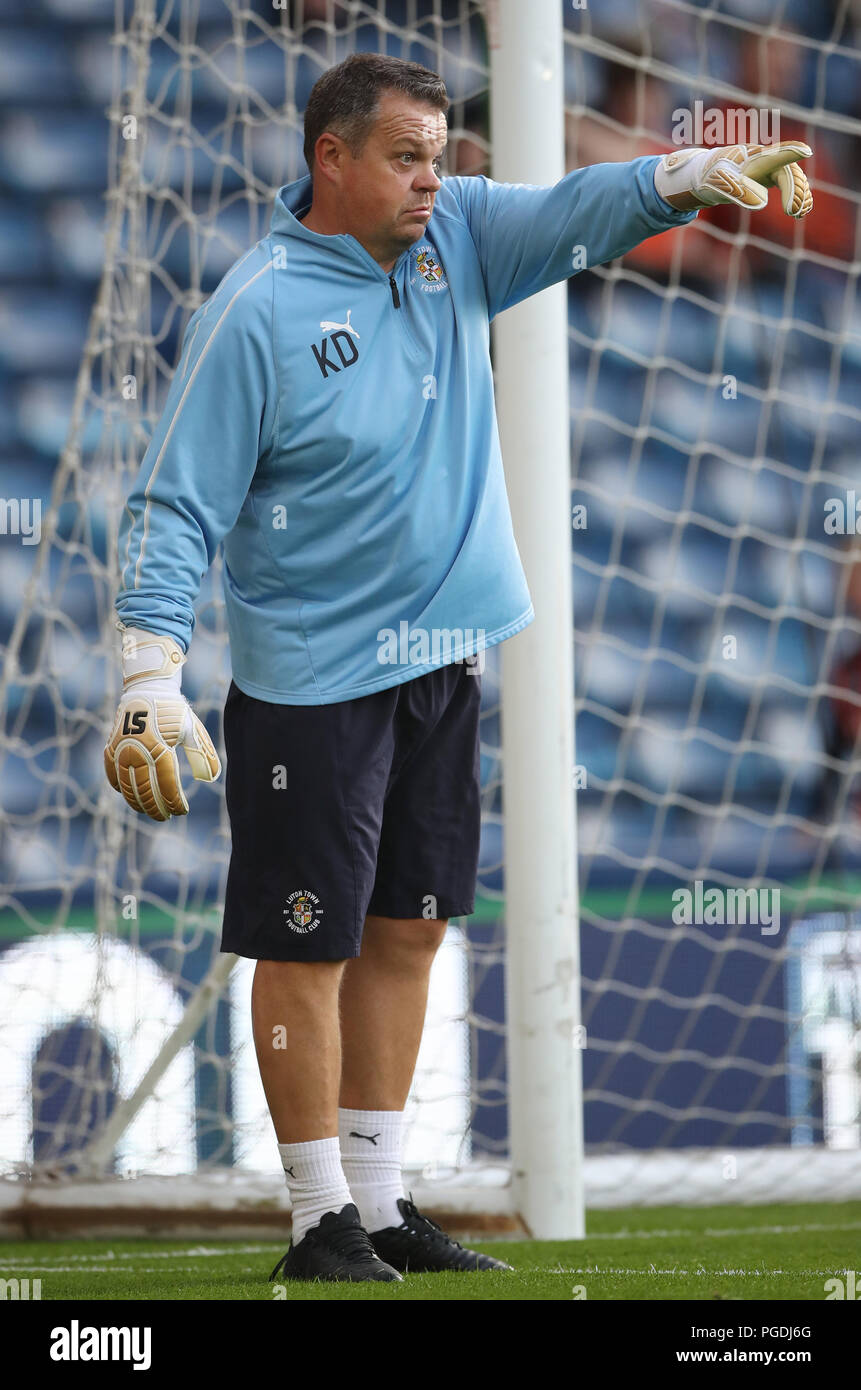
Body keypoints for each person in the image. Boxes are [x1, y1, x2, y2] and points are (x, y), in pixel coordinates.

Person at [104, 52, 812, 1282]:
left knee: (409, 932)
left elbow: (576, 209)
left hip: (445, 664)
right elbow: (175, 507)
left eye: (441, 153)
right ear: (332, 159)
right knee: (307, 944)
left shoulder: (462, 239)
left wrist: (693, 173)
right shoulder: (255, 310)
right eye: (407, 156)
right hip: (313, 682)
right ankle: (315, 1217)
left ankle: (379, 1206)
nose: (436, 178)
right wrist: (145, 673)